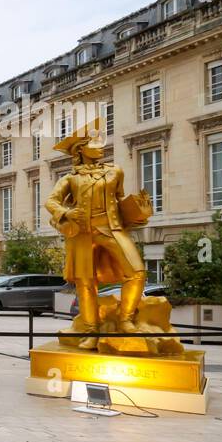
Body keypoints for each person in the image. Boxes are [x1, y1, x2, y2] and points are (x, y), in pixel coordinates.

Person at [46, 123, 151, 349]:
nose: (101, 146)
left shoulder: (115, 171)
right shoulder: (70, 179)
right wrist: (66, 212)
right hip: (81, 234)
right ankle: (91, 330)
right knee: (85, 283)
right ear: (80, 150)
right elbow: (51, 201)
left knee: (136, 271)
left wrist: (137, 213)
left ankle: (126, 319)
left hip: (110, 228)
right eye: (94, 143)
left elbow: (120, 200)